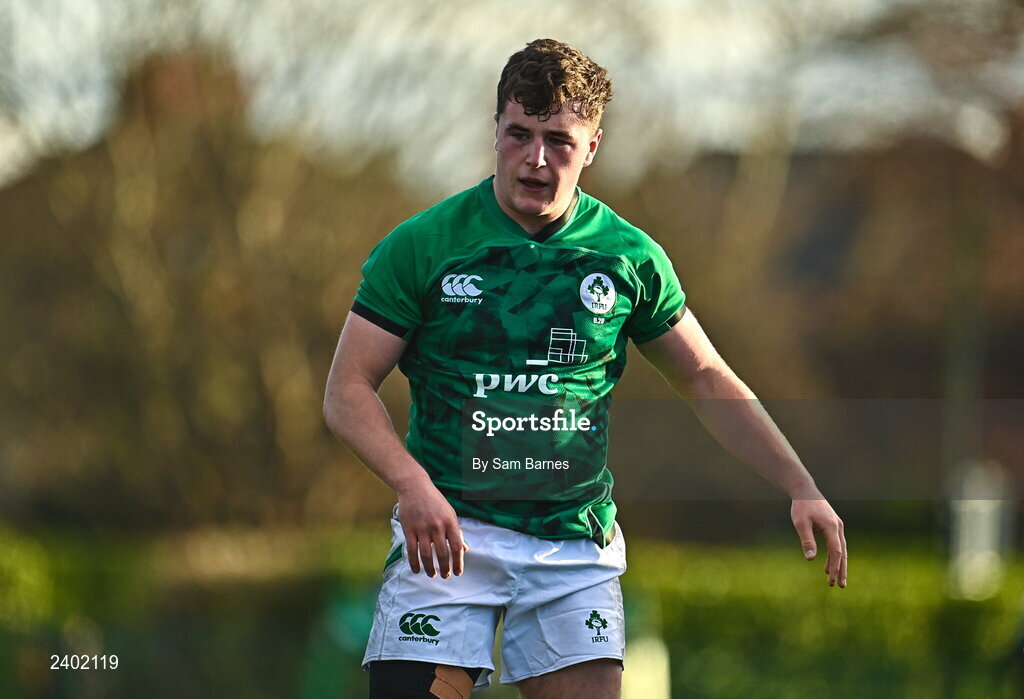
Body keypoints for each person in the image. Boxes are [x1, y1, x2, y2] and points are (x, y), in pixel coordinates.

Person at [323, 38, 847, 699]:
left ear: (593, 146)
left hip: (570, 548)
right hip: (449, 535)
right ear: (496, 131)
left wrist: (801, 483)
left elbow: (706, 377)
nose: (535, 159)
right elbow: (346, 389)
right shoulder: (423, 246)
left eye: (559, 140)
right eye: (519, 134)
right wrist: (412, 485)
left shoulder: (628, 257)